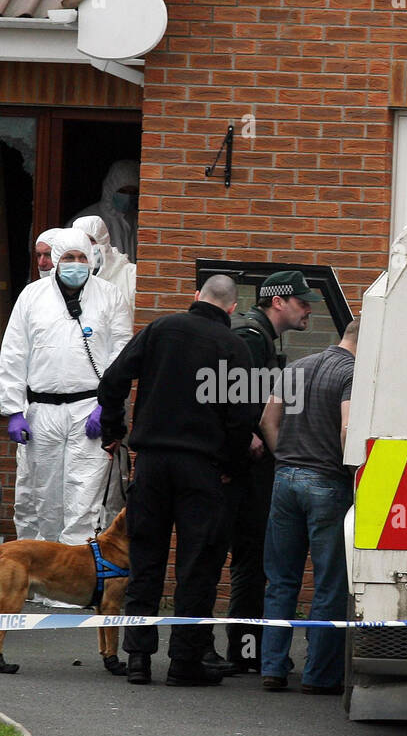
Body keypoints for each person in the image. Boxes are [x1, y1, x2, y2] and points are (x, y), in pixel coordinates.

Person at [96, 275, 258, 687]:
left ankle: (137, 659)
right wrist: (232, 465)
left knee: (146, 560)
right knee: (197, 566)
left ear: (195, 298)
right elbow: (242, 418)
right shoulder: (234, 347)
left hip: (150, 464)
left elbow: (112, 381)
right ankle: (185, 662)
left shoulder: (160, 329)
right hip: (201, 470)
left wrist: (115, 430)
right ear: (232, 309)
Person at [211, 270, 322, 676]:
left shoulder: (260, 338)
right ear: (278, 301)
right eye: (301, 301)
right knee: (247, 560)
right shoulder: (251, 338)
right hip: (242, 473)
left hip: (245, 471)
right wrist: (246, 441)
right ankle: (244, 651)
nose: (308, 307)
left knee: (249, 559)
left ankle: (245, 650)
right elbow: (232, 402)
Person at [0, 228, 132, 554]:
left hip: (89, 409)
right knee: (44, 496)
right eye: (69, 258)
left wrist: (108, 405)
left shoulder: (110, 296)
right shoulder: (32, 296)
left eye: (82, 257)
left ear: (92, 259)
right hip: (42, 411)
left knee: (83, 497)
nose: (76, 264)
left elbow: (121, 354)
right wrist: (14, 409)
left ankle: (74, 577)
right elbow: (14, 353)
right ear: (56, 261)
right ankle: (47, 575)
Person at [257, 317, 359, 694]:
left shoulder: (297, 367)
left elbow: (269, 419)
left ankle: (272, 668)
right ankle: (319, 675)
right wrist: (353, 468)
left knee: (281, 580)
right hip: (327, 483)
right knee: (329, 584)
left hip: (285, 480)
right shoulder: (352, 373)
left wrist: (282, 455)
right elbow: (348, 427)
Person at [71, 159, 140, 263]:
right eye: (122, 191)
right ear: (110, 188)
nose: (128, 197)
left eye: (133, 192)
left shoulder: (137, 221)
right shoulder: (88, 219)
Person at [72, 215, 136, 324]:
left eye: (90, 240)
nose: (83, 246)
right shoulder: (69, 277)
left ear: (103, 241)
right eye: (79, 240)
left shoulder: (130, 275)